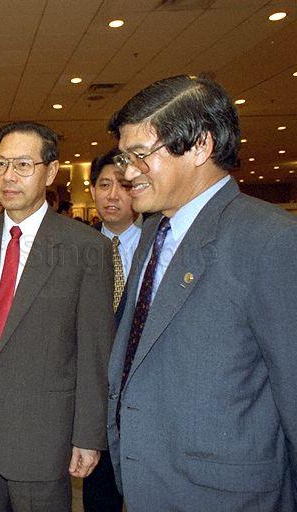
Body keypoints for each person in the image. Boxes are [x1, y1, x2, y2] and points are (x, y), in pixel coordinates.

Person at [106, 75, 297, 511]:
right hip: (147, 482)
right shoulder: (154, 231)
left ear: (199, 147)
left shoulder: (271, 242)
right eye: (124, 156)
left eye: (140, 155)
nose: (127, 172)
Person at [0, 121, 115, 512]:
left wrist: (88, 434)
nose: (8, 176)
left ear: (50, 172)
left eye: (22, 165)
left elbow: (94, 352)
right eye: (0, 164)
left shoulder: (86, 248)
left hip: (45, 435)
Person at [82, 148, 141, 512]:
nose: (112, 195)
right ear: (92, 191)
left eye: (122, 185)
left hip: (143, 400)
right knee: (99, 496)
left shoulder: (161, 245)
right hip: (96, 401)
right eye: (104, 185)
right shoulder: (77, 249)